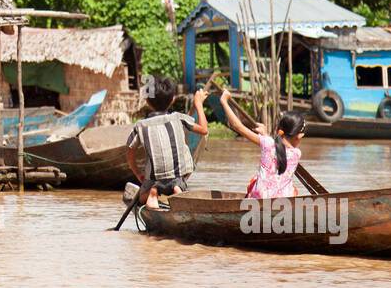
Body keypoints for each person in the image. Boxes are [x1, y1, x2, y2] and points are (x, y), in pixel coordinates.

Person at [126, 77, 208, 209]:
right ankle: (177, 188)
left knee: (141, 197)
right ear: (173, 99)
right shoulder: (179, 118)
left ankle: (153, 192)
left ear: (147, 101)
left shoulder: (140, 126)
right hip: (178, 176)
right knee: (177, 178)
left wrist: (137, 174)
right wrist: (199, 104)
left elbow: (130, 153)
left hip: (153, 179)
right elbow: (204, 130)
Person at [219, 87, 306, 199]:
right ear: (299, 136)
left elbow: (238, 127)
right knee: (293, 190)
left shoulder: (268, 143)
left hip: (260, 197)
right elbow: (277, 147)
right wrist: (265, 135)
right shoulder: (297, 154)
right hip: (283, 199)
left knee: (254, 181)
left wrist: (224, 102)